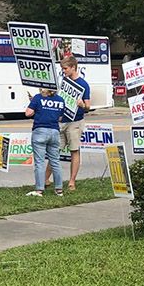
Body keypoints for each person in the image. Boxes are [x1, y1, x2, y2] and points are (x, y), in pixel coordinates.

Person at [24, 88, 65, 197]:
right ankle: (59, 189)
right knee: (55, 161)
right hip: (54, 131)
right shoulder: (60, 100)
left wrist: (34, 104)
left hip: (40, 131)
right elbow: (60, 117)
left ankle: (39, 190)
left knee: (40, 162)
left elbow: (28, 113)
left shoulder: (38, 98)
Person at [59, 56, 91, 191]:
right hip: (62, 121)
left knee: (74, 150)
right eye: (62, 69)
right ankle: (45, 179)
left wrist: (82, 104)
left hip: (75, 122)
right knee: (55, 151)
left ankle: (72, 181)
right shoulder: (64, 81)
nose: (63, 71)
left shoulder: (83, 84)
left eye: (65, 69)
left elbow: (88, 107)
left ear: (73, 67)